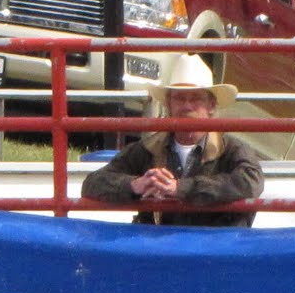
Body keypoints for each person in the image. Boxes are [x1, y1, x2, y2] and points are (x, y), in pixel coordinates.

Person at [80, 56, 264, 227]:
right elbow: (92, 184)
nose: (187, 106)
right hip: (164, 249)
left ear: (211, 105)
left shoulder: (232, 149)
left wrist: (180, 188)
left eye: (196, 98)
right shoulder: (146, 148)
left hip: (213, 249)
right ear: (169, 104)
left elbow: (250, 183)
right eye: (180, 98)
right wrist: (134, 184)